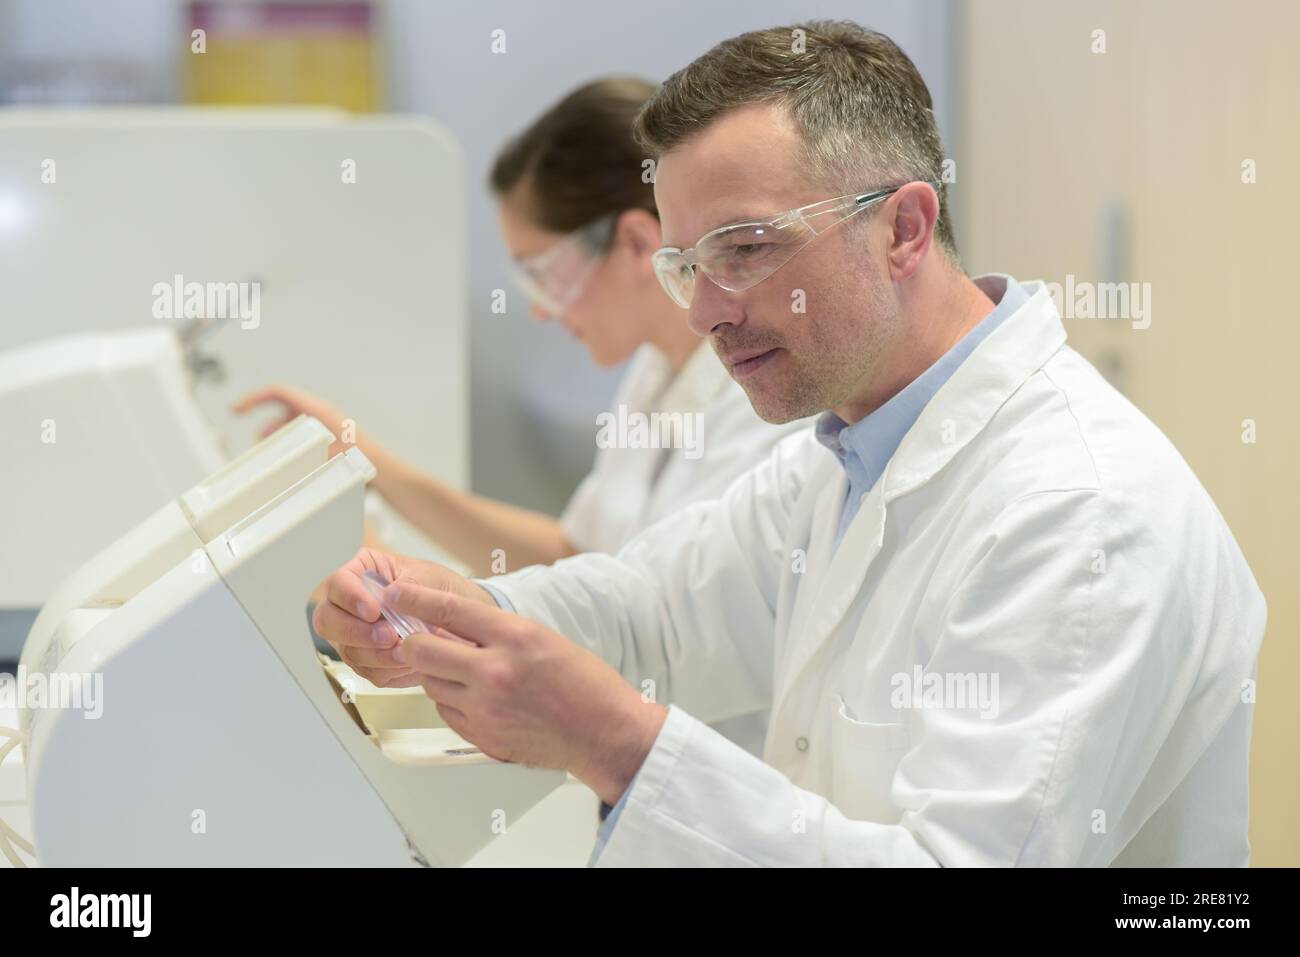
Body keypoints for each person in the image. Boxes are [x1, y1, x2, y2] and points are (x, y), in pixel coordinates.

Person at [312, 21, 1265, 866]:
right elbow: (653, 610)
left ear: (904, 226)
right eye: (688, 265)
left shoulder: (1079, 514)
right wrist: (442, 611)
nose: (710, 314)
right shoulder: (849, 446)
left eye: (748, 249)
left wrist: (618, 744)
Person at [237, 78, 808, 756]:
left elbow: (667, 625)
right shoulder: (656, 370)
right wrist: (370, 470)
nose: (539, 309)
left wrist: (439, 615)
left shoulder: (767, 407)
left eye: (545, 274)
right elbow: (578, 556)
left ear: (632, 241)